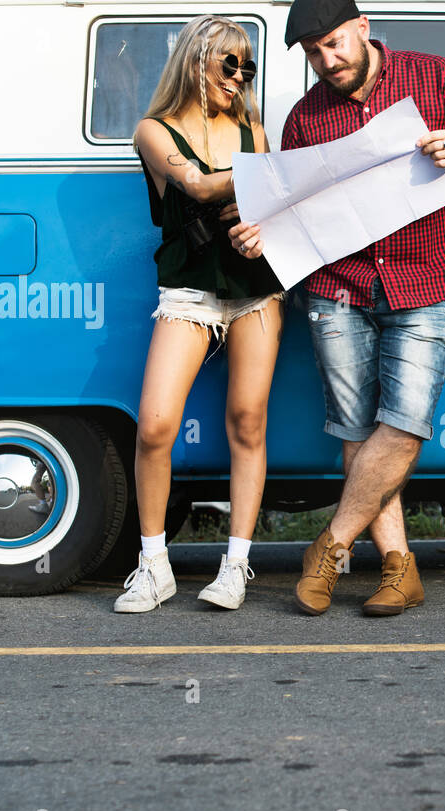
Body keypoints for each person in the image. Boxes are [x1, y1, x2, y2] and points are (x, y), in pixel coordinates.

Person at [229, 0, 445, 617]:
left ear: (363, 29)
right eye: (314, 53)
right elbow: (287, 215)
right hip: (337, 287)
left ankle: (329, 545)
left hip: (423, 280)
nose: (328, 60)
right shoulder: (303, 118)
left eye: (335, 43)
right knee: (356, 430)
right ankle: (399, 569)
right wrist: (257, 235)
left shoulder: (434, 74)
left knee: (404, 423)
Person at [115, 14, 285, 613]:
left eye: (248, 66)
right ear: (195, 62)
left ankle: (236, 565)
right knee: (156, 425)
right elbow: (197, 187)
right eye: (228, 64)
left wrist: (260, 231)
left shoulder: (254, 134)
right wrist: (265, 180)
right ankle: (154, 565)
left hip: (253, 292)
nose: (239, 77)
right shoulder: (152, 131)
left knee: (246, 420)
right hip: (188, 291)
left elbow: (271, 217)